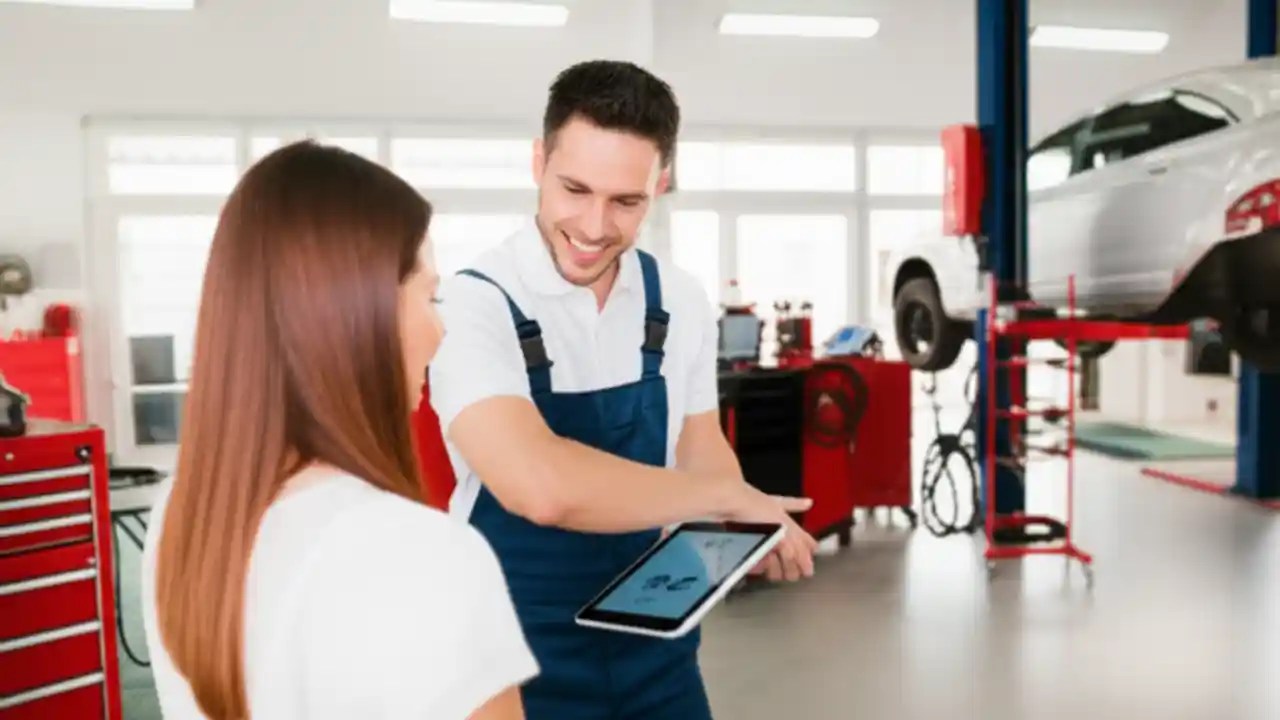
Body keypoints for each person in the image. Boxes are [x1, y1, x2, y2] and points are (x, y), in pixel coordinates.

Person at [428, 59, 820, 720]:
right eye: (575, 189)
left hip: (657, 650)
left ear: (660, 185)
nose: (593, 224)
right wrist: (724, 494)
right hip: (514, 660)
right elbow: (538, 486)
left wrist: (738, 524)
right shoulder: (473, 306)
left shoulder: (680, 300)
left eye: (625, 201)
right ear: (537, 162)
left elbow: (700, 447)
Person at [140, 141, 538, 720]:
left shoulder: (182, 515)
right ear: (355, 317)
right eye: (430, 296)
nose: (440, 331)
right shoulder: (423, 554)